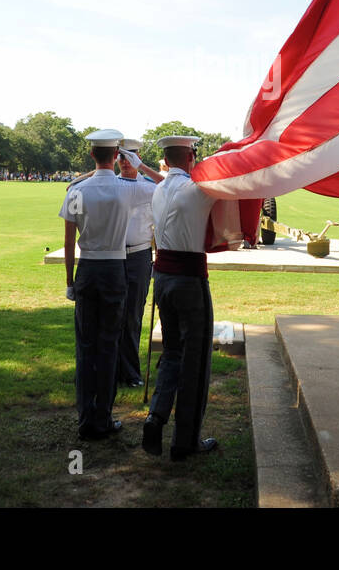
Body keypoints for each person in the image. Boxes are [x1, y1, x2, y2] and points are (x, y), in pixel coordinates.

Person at [60, 129, 160, 440]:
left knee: (85, 347)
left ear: (91, 155)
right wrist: (140, 166)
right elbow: (167, 185)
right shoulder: (128, 190)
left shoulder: (78, 191)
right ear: (117, 156)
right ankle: (102, 417)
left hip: (88, 268)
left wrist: (68, 280)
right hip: (116, 269)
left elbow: (68, 242)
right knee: (108, 346)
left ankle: (85, 418)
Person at [143, 135, 219, 461]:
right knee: (195, 360)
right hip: (189, 280)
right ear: (190, 156)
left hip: (162, 278)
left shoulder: (158, 189)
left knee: (172, 352)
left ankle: (156, 416)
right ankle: (185, 441)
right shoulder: (197, 189)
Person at [115, 138, 158, 390]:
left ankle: (130, 371)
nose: (125, 161)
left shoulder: (150, 186)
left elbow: (170, 187)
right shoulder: (109, 183)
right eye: (120, 156)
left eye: (130, 156)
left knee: (132, 315)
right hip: (113, 255)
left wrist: (141, 167)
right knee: (112, 315)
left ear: (138, 157)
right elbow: (74, 187)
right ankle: (111, 369)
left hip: (139, 256)